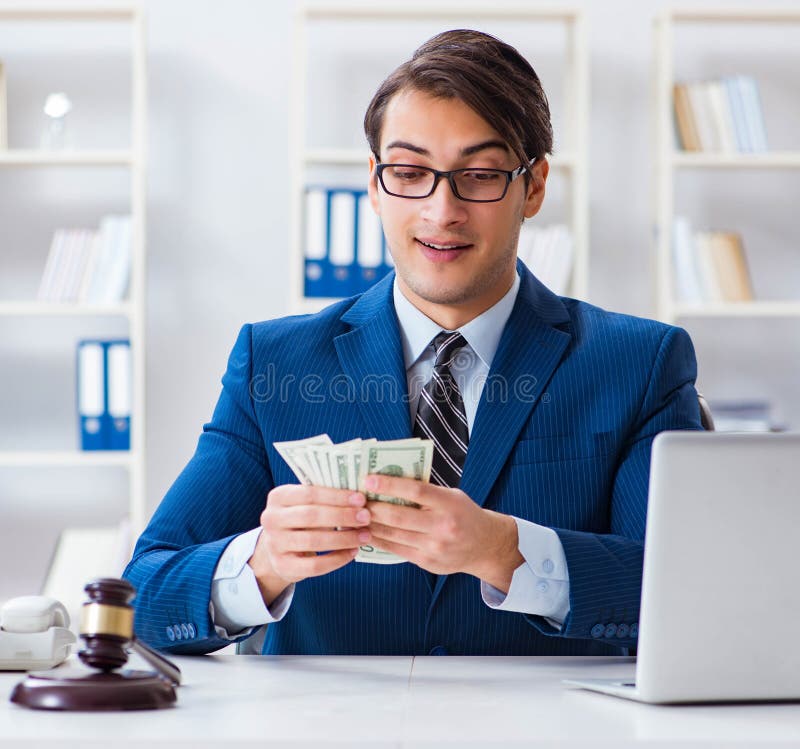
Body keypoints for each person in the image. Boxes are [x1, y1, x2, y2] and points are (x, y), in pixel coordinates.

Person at [124, 29, 702, 656]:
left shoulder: (640, 363)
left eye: (478, 175)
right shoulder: (275, 363)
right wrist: (261, 567)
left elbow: (692, 592)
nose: (441, 209)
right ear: (374, 184)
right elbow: (141, 597)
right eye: (409, 172)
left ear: (533, 186)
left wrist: (507, 553)